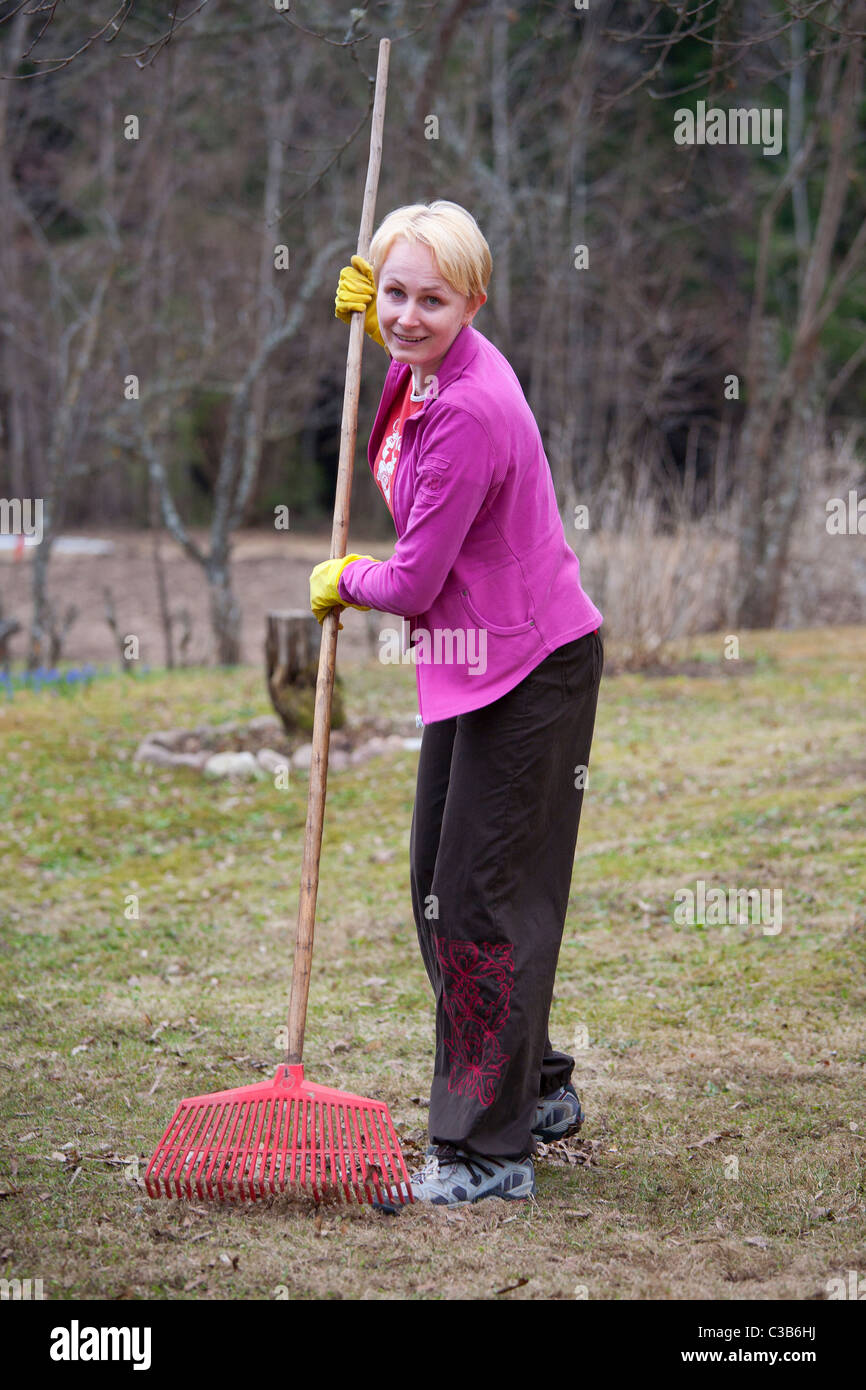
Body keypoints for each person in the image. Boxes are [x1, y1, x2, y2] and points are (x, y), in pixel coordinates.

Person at [310, 200, 603, 1207]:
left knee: (475, 904)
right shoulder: (430, 372)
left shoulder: (470, 410)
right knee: (439, 892)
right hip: (479, 662)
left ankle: (485, 1154)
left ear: (472, 301)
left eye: (431, 299)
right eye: (391, 293)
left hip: (530, 667)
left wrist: (344, 577)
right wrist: (377, 340)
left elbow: (415, 580)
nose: (406, 314)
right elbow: (399, 429)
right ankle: (536, 1088)